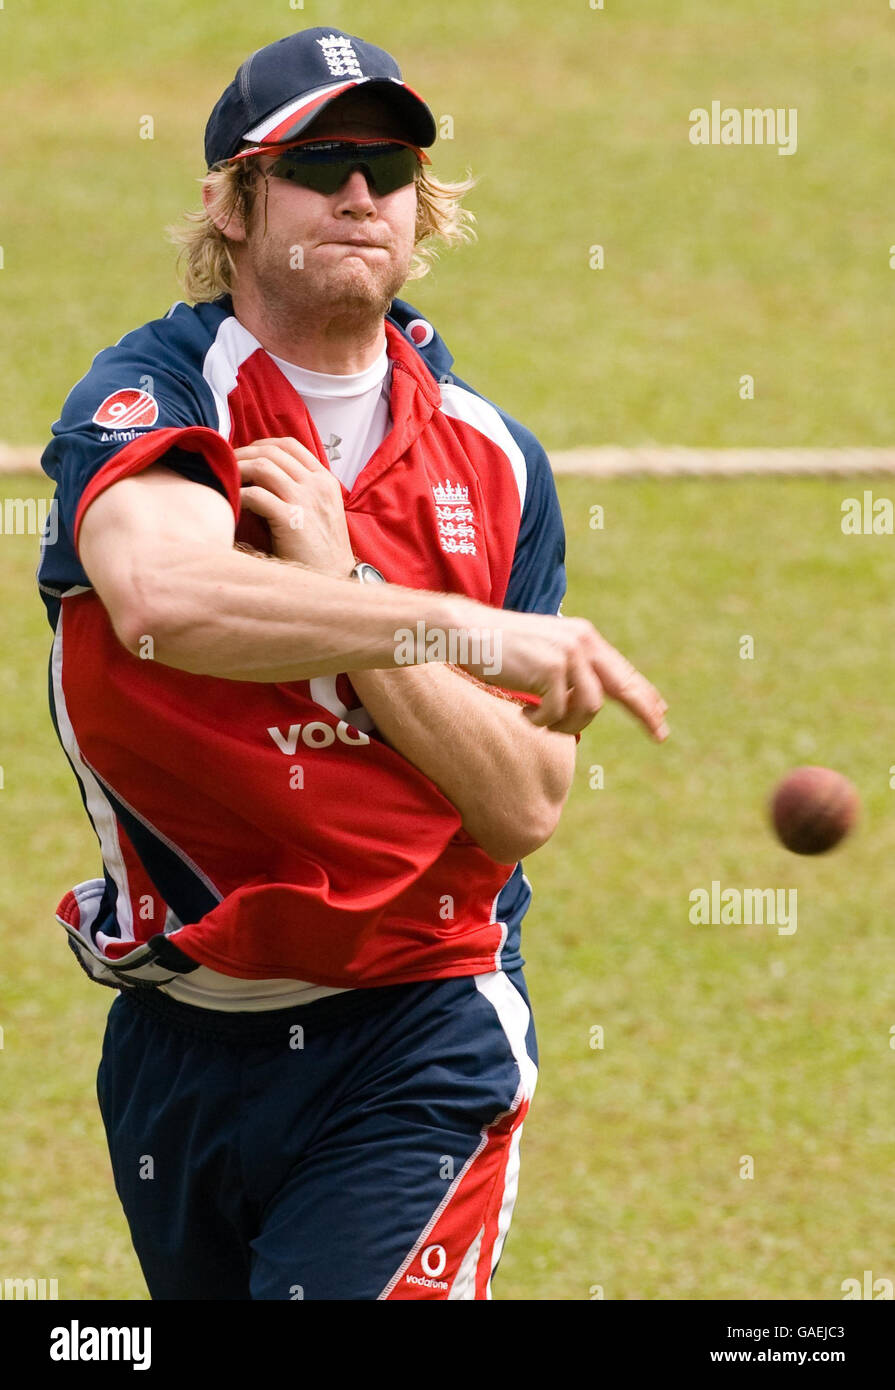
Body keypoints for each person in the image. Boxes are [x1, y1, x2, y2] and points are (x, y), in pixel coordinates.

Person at [37, 27, 668, 1300]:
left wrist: (353, 593)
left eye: (386, 162)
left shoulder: (493, 460)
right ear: (230, 201)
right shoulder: (156, 400)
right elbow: (161, 599)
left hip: (419, 1025)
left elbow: (523, 801)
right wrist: (450, 630)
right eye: (317, 161)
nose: (358, 192)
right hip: (185, 1036)